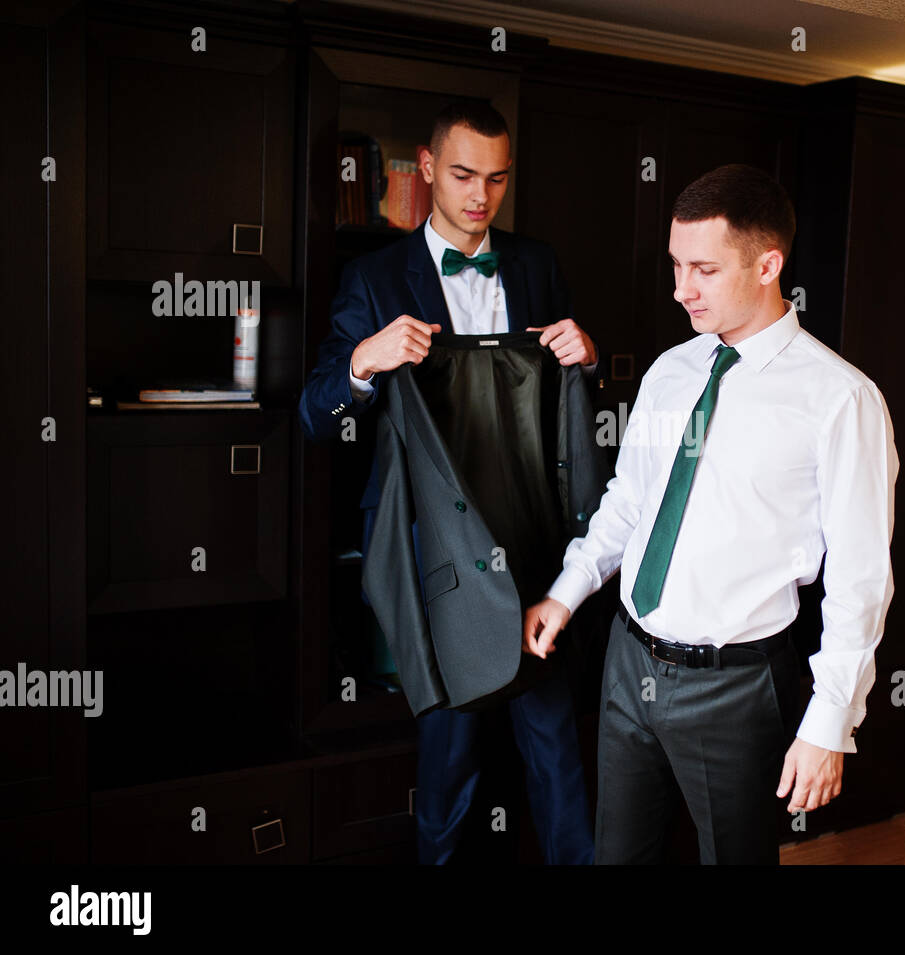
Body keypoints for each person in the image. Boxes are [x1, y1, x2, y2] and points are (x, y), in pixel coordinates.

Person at [522, 164, 898, 864]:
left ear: (768, 264)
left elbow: (861, 581)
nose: (679, 289)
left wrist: (829, 722)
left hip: (739, 690)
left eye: (702, 268)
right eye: (675, 265)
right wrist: (566, 593)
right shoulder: (671, 370)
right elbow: (631, 501)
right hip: (627, 664)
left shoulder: (841, 399)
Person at [298, 101, 599, 864]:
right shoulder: (371, 278)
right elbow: (313, 412)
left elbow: (567, 411)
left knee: (558, 752)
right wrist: (366, 359)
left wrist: (585, 356)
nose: (480, 196)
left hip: (533, 542)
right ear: (428, 167)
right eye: (464, 174)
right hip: (434, 552)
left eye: (497, 179)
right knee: (450, 759)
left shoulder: (537, 265)